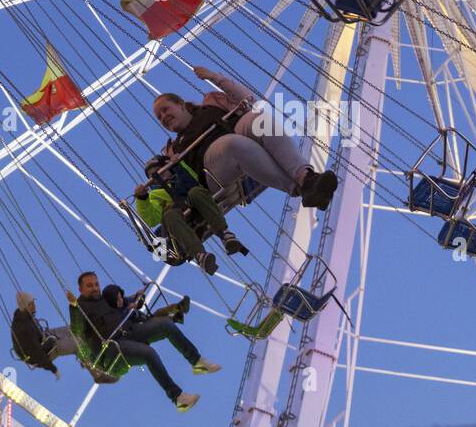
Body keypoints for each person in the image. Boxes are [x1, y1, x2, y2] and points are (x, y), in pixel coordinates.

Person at [153, 65, 339, 212]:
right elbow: (172, 182)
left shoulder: (211, 103)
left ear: (180, 104)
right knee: (232, 144)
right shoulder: (173, 148)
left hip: (235, 138)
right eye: (159, 117)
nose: (163, 117)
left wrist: (214, 77)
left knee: (257, 120)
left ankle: (305, 177)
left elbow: (250, 101)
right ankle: (297, 187)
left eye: (165, 109)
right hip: (211, 173)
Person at [69, 271, 218, 411]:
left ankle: (197, 361)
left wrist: (137, 295)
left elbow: (123, 301)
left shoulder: (104, 298)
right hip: (113, 350)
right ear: (81, 289)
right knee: (149, 353)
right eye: (89, 286)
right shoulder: (80, 307)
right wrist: (74, 306)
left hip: (129, 332)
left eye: (96, 284)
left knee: (165, 324)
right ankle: (178, 397)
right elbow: (76, 329)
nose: (95, 288)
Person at [134, 157, 248, 274]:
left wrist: (176, 165)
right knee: (169, 215)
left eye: (160, 169)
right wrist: (142, 199)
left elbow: (193, 181)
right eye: (152, 176)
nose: (159, 174)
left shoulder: (179, 175)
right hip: (178, 221)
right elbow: (151, 220)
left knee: (196, 191)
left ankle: (224, 235)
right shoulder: (154, 195)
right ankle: (199, 255)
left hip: (195, 206)